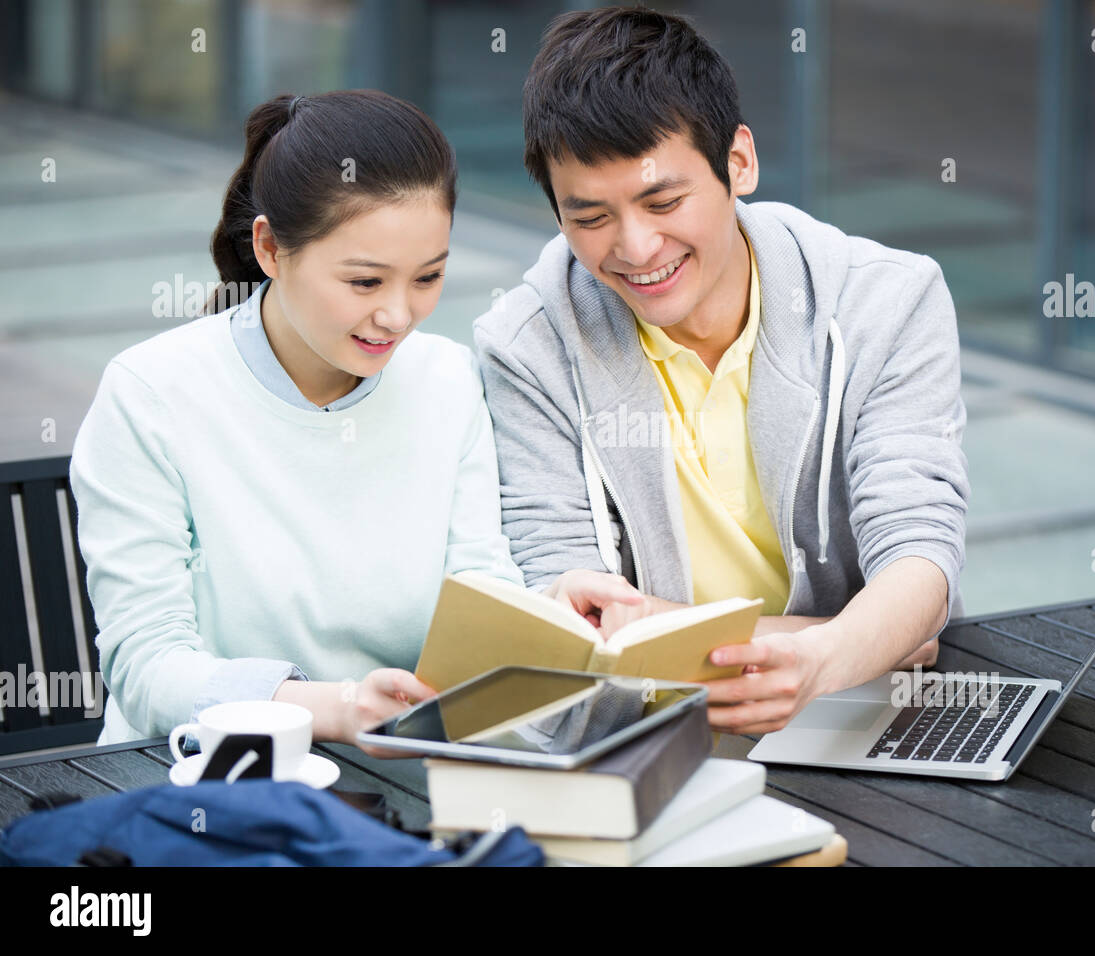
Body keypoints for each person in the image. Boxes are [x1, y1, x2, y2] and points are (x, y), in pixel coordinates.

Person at [71, 90, 640, 752]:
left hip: (396, 765)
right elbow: (148, 668)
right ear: (271, 249)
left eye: (427, 278)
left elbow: (477, 582)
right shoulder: (151, 393)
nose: (398, 316)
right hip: (201, 775)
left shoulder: (446, 379)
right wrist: (335, 709)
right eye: (365, 283)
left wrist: (546, 609)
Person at [474, 8, 971, 736]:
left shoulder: (886, 301)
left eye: (664, 201)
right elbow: (576, 626)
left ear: (739, 162)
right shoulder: (527, 346)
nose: (637, 247)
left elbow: (920, 559)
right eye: (590, 218)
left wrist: (821, 659)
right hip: (654, 729)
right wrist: (843, 638)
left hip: (858, 710)